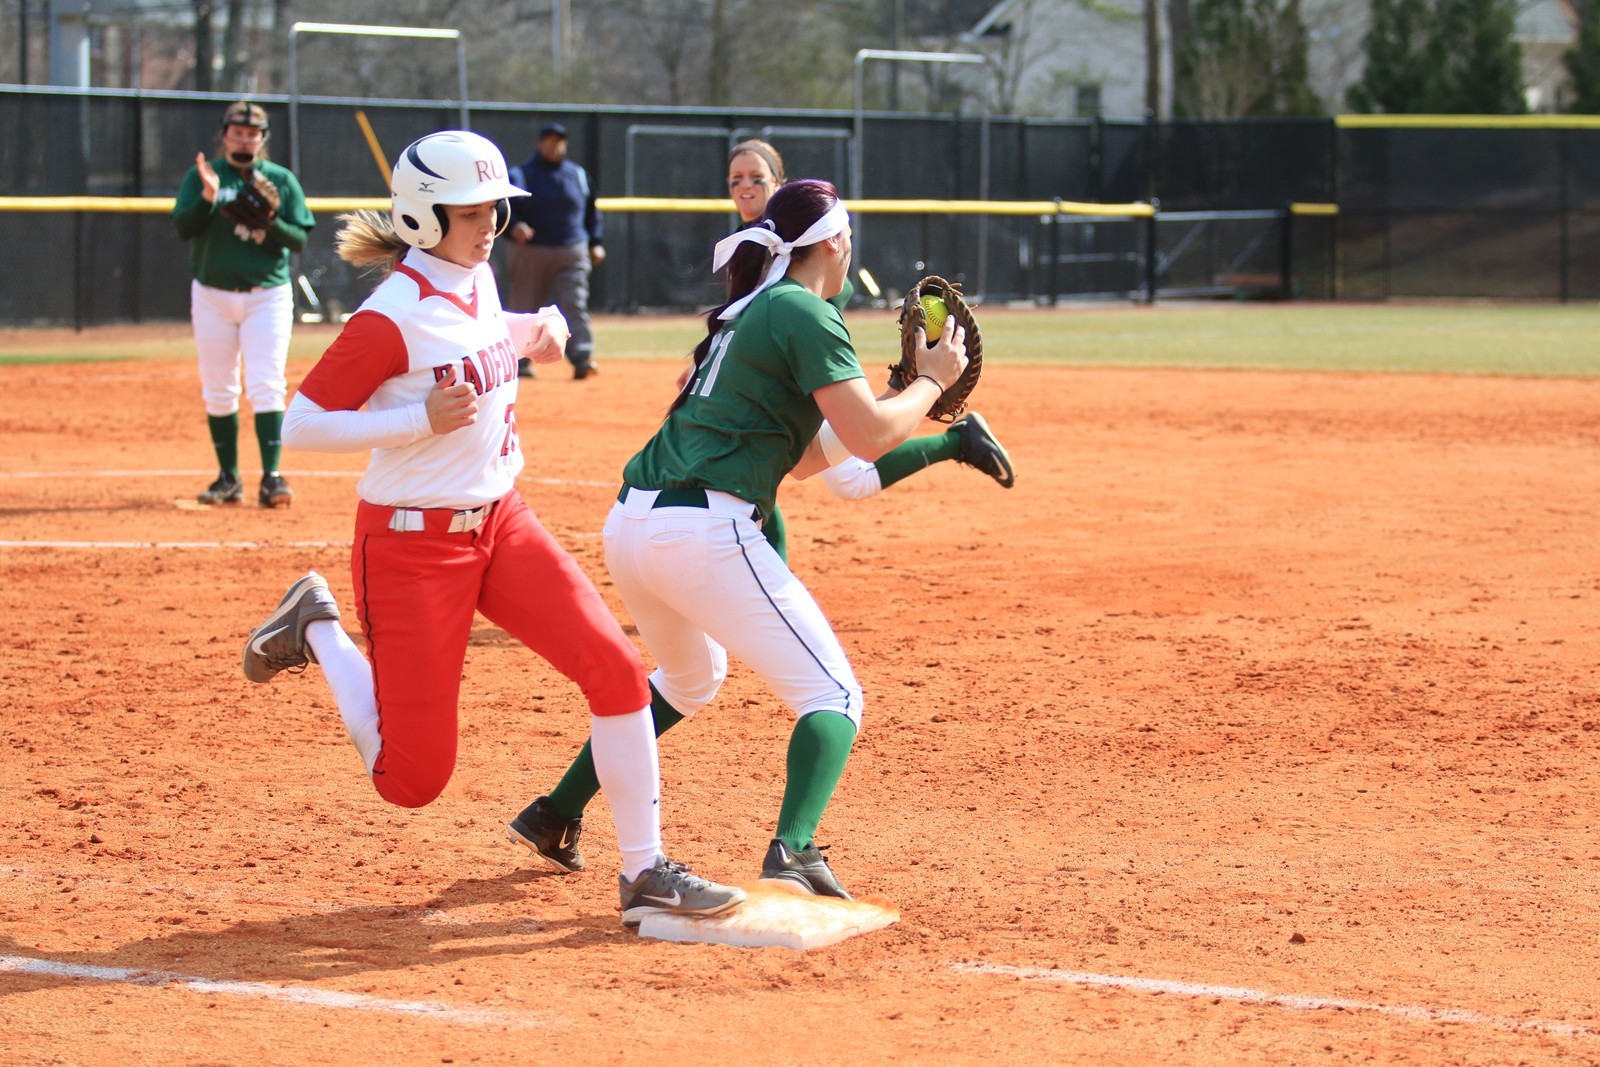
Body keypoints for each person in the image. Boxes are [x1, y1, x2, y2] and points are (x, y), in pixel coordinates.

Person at [238, 130, 743, 929]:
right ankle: (318, 627)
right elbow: (299, 423)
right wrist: (413, 420)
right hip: (411, 547)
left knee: (615, 670)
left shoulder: (472, 279)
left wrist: (525, 332)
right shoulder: (388, 314)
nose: (488, 225)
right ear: (421, 217)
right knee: (412, 780)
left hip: (502, 523)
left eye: (494, 210)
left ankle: (645, 871)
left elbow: (468, 334)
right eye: (469, 212)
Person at [511, 179, 968, 900]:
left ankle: (556, 811)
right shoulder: (803, 310)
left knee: (690, 678)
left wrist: (901, 397)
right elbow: (873, 437)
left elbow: (810, 454)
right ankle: (793, 850)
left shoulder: (754, 306)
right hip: (702, 530)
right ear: (836, 242)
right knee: (834, 694)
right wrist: (933, 385)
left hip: (634, 522)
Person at [726, 139, 1013, 559]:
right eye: (736, 179)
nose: (745, 187)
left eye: (757, 177)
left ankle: (958, 441)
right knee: (829, 475)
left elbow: (817, 315)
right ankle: (961, 440)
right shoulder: (743, 248)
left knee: (817, 472)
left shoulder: (798, 256)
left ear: (780, 186)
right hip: (780, 379)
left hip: (805, 376)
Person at [172, 101, 315, 509]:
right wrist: (206, 197)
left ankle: (271, 478)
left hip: (266, 295)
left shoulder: (281, 180)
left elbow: (299, 240)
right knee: (219, 388)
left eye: (253, 133)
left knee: (267, 383)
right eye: (237, 132)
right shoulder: (205, 175)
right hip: (212, 295)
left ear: (262, 139)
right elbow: (183, 226)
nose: (245, 139)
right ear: (224, 135)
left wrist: (270, 221)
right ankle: (228, 478)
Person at [504, 123, 604, 381]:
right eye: (549, 140)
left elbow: (592, 211)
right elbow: (504, 207)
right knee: (524, 304)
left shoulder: (578, 174)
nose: (554, 145)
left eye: (559, 141)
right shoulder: (521, 174)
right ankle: (520, 360)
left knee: (575, 303)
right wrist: (514, 226)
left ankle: (582, 358)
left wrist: (596, 241)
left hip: (572, 249)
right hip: (530, 251)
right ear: (539, 144)